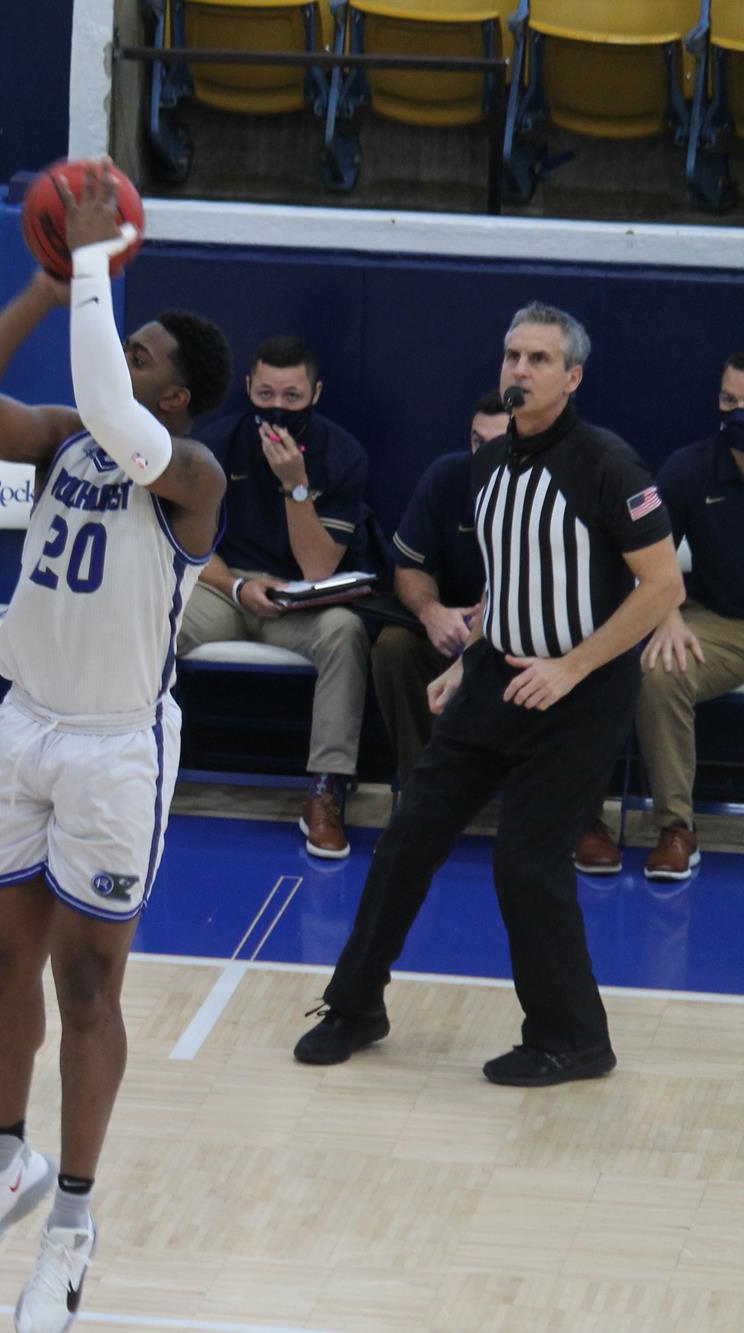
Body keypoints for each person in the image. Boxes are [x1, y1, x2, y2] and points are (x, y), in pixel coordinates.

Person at [0, 162, 231, 1332]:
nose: (120, 354)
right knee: (1, 965)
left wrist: (95, 265)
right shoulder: (59, 443)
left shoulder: (190, 477)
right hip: (23, 727)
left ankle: (71, 1227)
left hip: (113, 750)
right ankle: (4, 1161)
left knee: (88, 983)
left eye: (141, 351)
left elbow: (110, 402)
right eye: (124, 341)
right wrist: (45, 286)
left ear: (177, 392)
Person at [295, 302, 682, 1088]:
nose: (520, 370)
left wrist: (570, 666)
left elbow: (662, 586)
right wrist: (467, 658)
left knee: (526, 862)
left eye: (539, 359)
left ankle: (573, 1037)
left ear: (572, 378)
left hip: (578, 694)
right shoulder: (487, 464)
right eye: (512, 355)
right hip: (493, 680)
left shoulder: (610, 464)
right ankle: (355, 1006)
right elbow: (508, 581)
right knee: (407, 837)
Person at [178, 335, 372, 859]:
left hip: (296, 596)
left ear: (316, 394)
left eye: (292, 397)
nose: (277, 409)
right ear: (247, 388)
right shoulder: (212, 446)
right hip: (223, 587)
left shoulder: (342, 455)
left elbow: (318, 568)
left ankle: (326, 790)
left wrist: (295, 486)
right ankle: (131, 763)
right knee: (155, 617)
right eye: (265, 395)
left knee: (346, 632)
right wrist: (237, 587)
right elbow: (189, 545)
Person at [622, 350, 744, 880]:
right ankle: (676, 827)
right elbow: (649, 558)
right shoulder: (690, 468)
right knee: (659, 670)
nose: (738, 413)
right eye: (729, 401)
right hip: (719, 623)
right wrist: (667, 614)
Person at [372, 392, 502, 788]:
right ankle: (424, 787)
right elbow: (408, 567)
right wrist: (431, 612)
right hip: (455, 627)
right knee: (394, 646)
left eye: (498, 445)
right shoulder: (448, 476)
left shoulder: (556, 484)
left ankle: (558, 805)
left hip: (523, 632)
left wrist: (493, 618)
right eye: (478, 442)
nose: (484, 455)